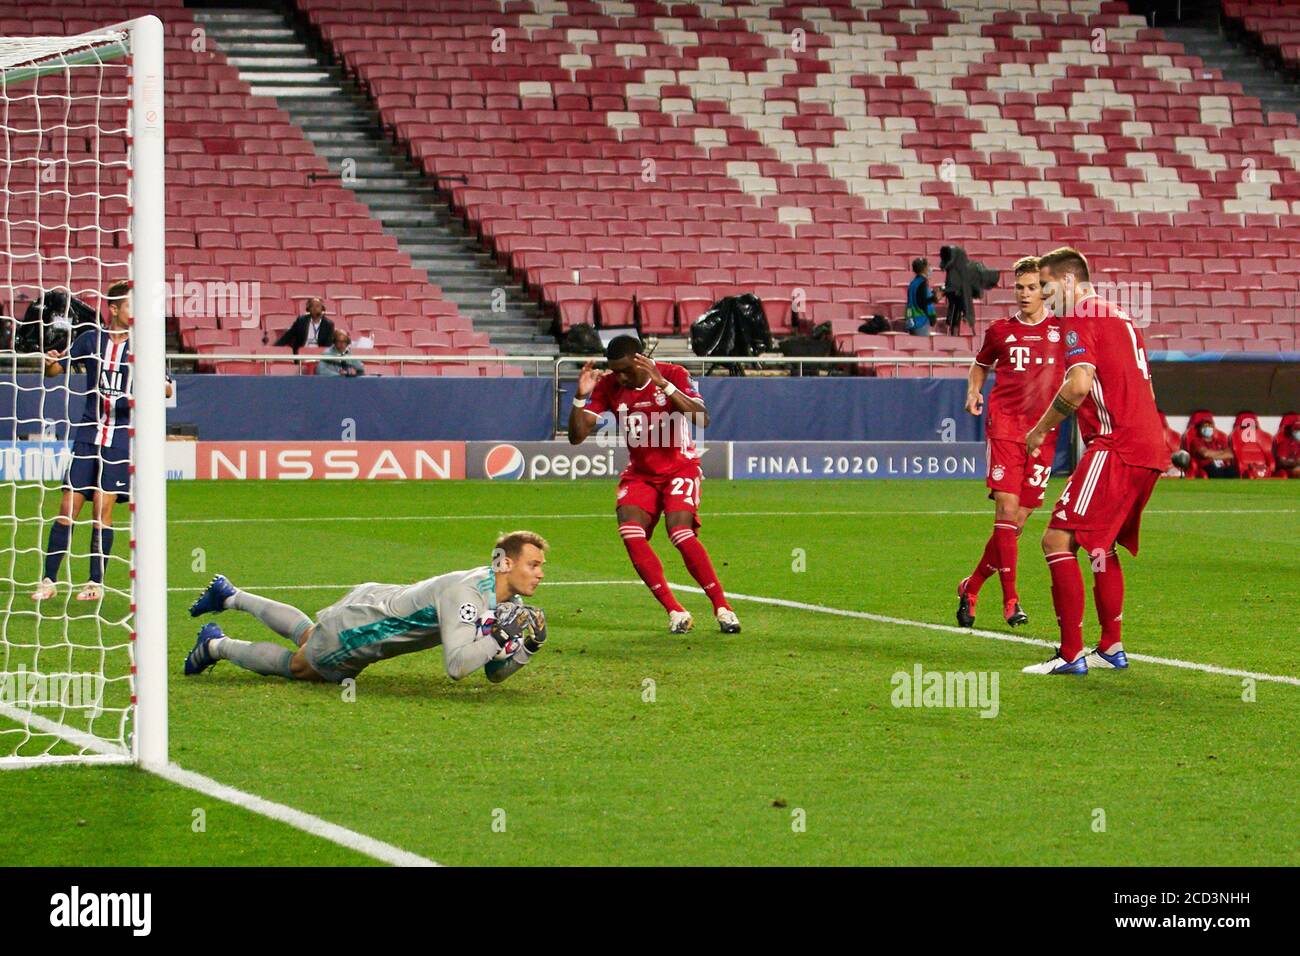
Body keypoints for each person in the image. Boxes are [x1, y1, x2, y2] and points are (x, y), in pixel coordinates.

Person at [1023, 247, 1168, 675]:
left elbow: (1078, 386)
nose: (1046, 300)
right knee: (1100, 545)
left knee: (1056, 541)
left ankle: (1070, 654)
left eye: (1047, 288)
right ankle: (1111, 645)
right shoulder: (1121, 316)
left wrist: (1040, 430)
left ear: (1068, 282)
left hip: (1116, 445)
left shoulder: (1081, 315)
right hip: (1147, 448)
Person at [183, 531, 549, 685]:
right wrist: (500, 636)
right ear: (505, 564)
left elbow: (492, 673)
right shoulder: (467, 596)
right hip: (364, 627)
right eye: (533, 565)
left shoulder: (503, 600)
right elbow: (456, 667)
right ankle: (215, 645)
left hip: (371, 602)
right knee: (303, 667)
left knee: (311, 635)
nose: (540, 574)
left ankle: (230, 595)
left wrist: (526, 649)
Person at [567, 335, 740, 635]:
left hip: (680, 469)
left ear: (640, 360)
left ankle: (722, 607)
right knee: (630, 532)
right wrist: (580, 397)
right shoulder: (609, 386)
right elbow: (577, 436)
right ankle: (675, 611)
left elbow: (702, 419)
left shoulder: (673, 374)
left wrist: (664, 385)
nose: (618, 376)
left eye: (624, 370)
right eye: (613, 370)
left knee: (680, 532)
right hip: (641, 474)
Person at [32, 280, 173, 602]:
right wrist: (49, 359)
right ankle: (48, 580)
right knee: (68, 508)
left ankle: (94, 583)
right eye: (129, 307)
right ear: (113, 309)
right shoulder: (90, 340)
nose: (135, 312)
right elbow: (55, 371)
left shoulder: (145, 345)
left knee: (102, 511)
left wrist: (148, 382)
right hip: (87, 433)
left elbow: (166, 389)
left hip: (119, 438)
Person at [957, 256, 1063, 629]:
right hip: (1005, 427)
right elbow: (980, 364)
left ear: (1045, 291)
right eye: (1019, 287)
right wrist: (974, 391)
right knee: (1005, 510)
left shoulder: (1064, 332)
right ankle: (1010, 600)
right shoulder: (1001, 330)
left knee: (1015, 524)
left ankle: (971, 587)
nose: (1024, 294)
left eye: (1031, 287)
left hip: (1044, 433)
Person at [905, 257, 939, 335]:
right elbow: (922, 303)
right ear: (924, 268)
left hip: (912, 320)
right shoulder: (922, 283)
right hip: (921, 321)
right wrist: (934, 298)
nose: (930, 268)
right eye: (928, 265)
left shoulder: (913, 283)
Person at [1273, 413, 1300, 477]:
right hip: (1290, 470)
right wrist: (1296, 463)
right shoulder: (1284, 444)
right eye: (1297, 431)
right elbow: (1281, 463)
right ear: (1292, 431)